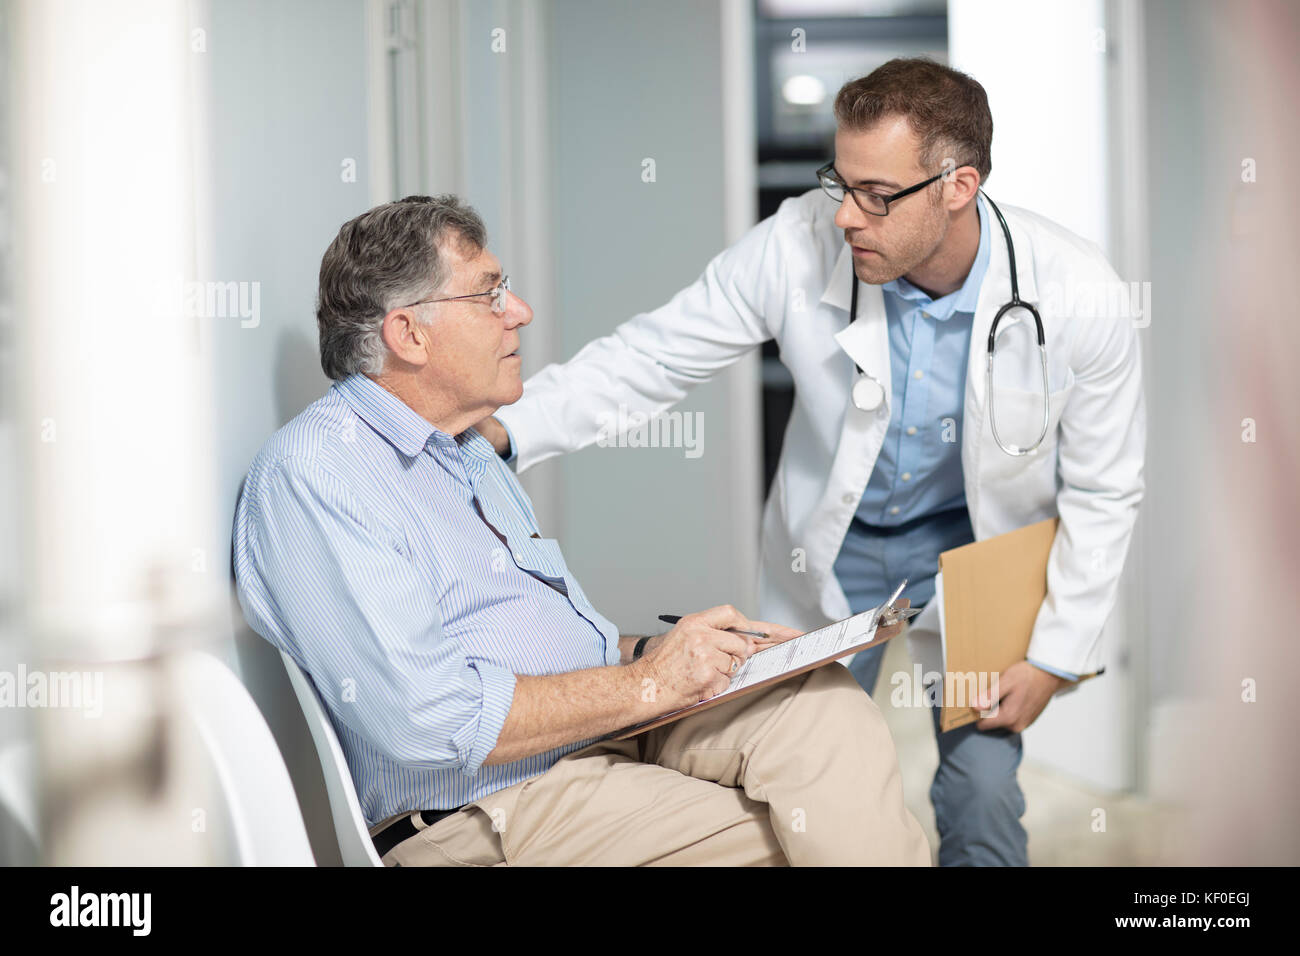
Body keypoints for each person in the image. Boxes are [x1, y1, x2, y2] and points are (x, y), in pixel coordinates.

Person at [477, 58, 1146, 866]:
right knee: (794, 770)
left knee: (981, 793)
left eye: (877, 194)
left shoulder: (1078, 291)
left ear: (959, 186)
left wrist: (1053, 655)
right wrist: (508, 429)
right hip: (833, 550)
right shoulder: (793, 242)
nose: (845, 218)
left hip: (981, 555)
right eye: (841, 181)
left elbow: (1105, 488)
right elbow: (651, 358)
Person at [231, 195, 931, 866]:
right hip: (488, 806)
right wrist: (651, 683)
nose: (521, 313)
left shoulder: (468, 451)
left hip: (600, 733)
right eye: (489, 294)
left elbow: (541, 642)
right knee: (800, 831)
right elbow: (431, 720)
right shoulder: (321, 472)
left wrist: (660, 650)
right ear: (407, 333)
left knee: (823, 703)